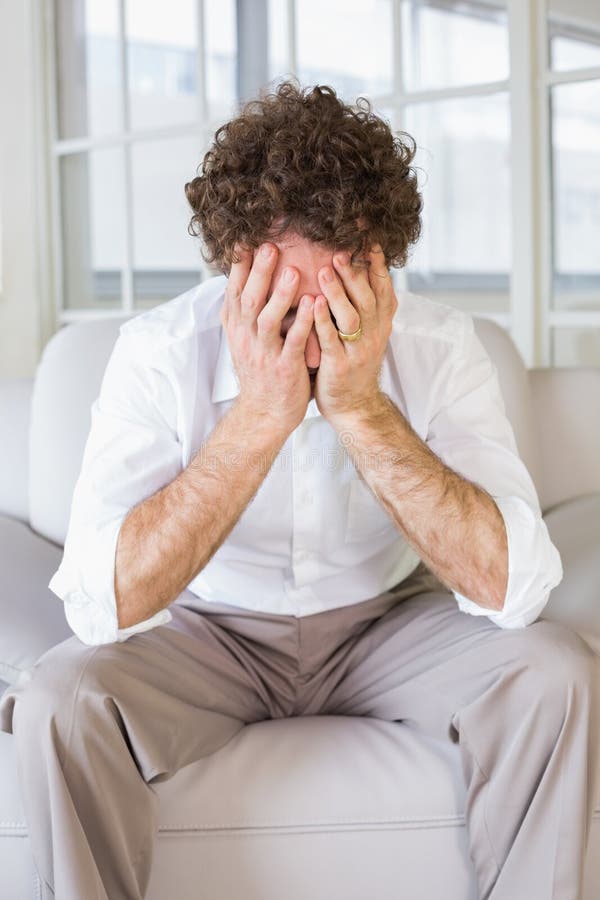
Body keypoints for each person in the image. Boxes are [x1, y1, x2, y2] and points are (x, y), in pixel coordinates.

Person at [0, 79, 597, 900]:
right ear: (235, 262)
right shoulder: (158, 351)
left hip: (386, 622)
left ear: (381, 262)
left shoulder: (442, 346)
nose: (313, 320)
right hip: (208, 629)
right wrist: (257, 418)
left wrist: (360, 408)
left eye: (340, 286)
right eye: (285, 292)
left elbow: (514, 587)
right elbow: (101, 607)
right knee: (60, 702)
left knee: (555, 672)